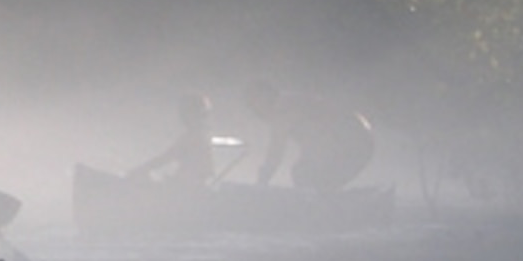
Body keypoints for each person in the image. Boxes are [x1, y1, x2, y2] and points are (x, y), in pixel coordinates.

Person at [244, 79, 376, 191]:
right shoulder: (289, 102)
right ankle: (323, 202)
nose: (255, 110)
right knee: (308, 174)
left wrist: (262, 182)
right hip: (356, 139)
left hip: (354, 141)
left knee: (305, 174)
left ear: (265, 96)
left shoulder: (283, 109)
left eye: (255, 103)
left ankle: (320, 207)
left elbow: (276, 151)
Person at [123, 93, 224, 189]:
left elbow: (165, 158)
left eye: (184, 112)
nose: (182, 116)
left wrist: (138, 171)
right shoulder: (203, 135)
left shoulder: (193, 138)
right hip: (193, 185)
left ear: (191, 114)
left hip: (187, 188)